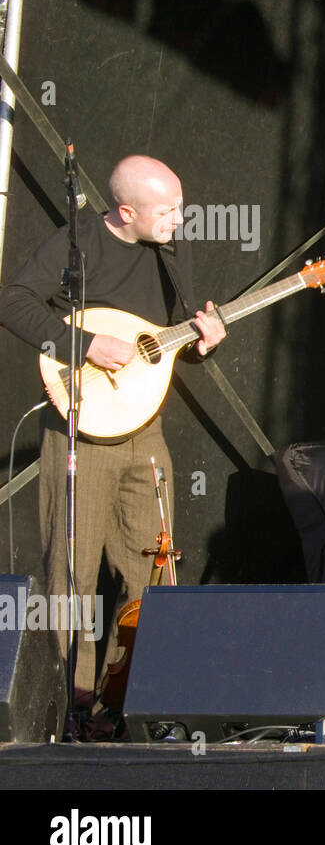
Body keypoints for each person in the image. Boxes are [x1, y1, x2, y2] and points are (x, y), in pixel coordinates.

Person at [0, 155, 226, 714]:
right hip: (81, 423)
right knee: (70, 576)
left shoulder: (173, 249)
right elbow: (11, 300)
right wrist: (84, 344)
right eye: (166, 211)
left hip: (143, 426)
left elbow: (164, 345)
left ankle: (129, 707)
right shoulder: (78, 245)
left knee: (155, 566)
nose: (179, 218)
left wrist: (204, 343)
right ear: (126, 212)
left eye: (180, 207)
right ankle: (63, 710)